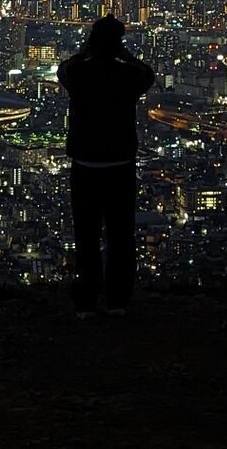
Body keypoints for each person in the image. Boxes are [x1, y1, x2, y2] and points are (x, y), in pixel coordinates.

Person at [56, 16, 155, 318]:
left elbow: (63, 69)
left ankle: (86, 301)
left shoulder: (79, 73)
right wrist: (126, 56)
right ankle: (117, 300)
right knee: (120, 235)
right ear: (119, 43)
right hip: (120, 165)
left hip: (86, 165)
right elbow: (148, 75)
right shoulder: (128, 75)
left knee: (86, 234)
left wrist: (84, 52)